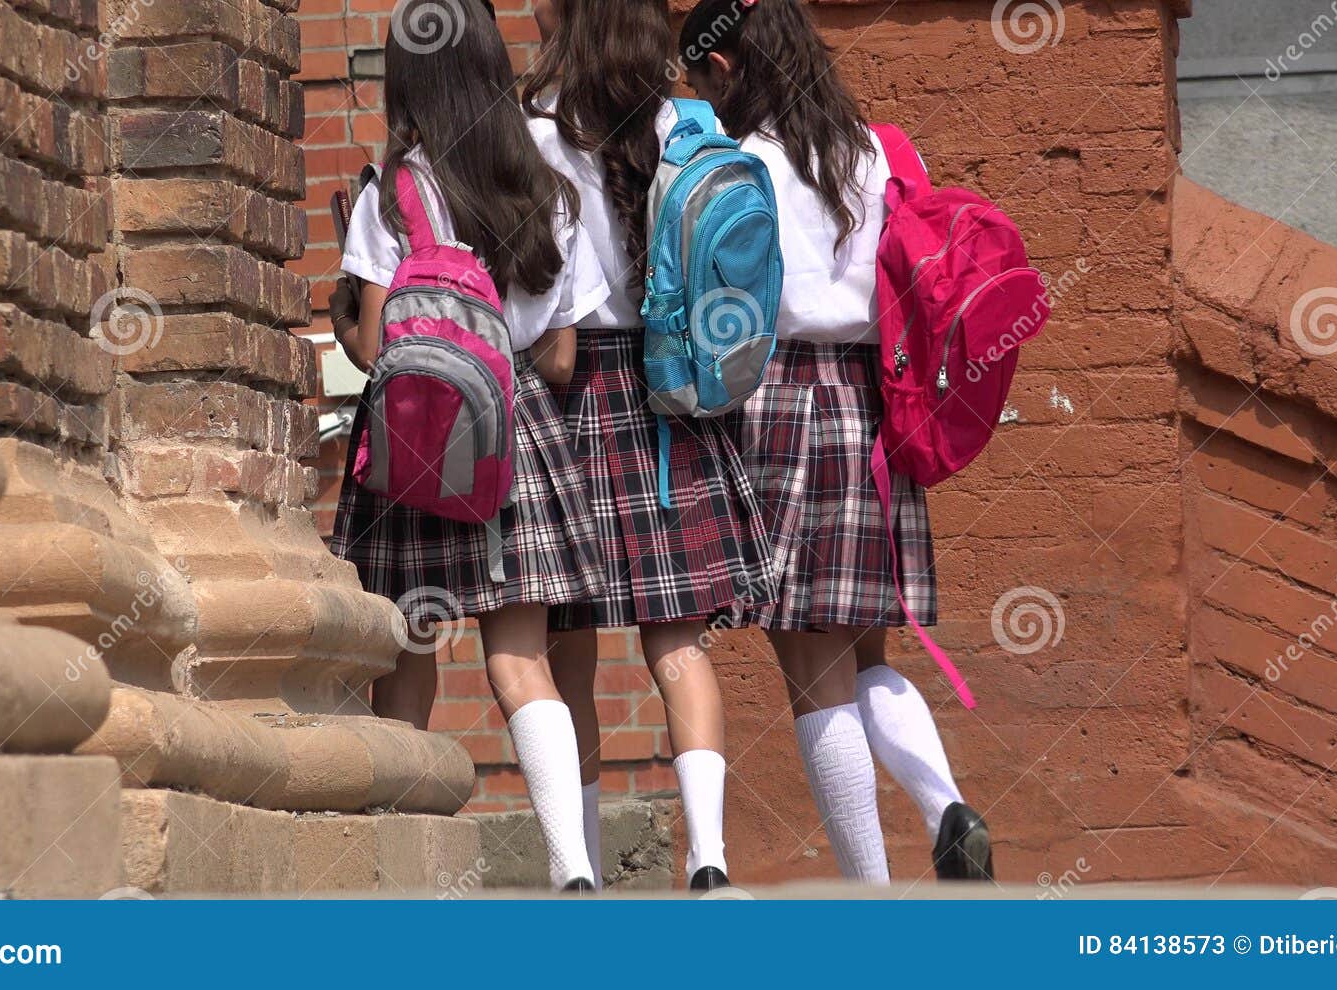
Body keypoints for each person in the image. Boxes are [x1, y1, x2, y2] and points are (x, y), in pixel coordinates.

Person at [677, 0, 994, 883]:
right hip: (874, 406)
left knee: (811, 669)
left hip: (779, 407)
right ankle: (947, 805)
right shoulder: (878, 152)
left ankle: (871, 895)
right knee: (869, 651)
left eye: (699, 77)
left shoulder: (739, 163)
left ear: (725, 67)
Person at [328, 0, 611, 892]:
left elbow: (377, 348)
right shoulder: (546, 186)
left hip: (417, 434)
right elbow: (561, 359)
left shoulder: (393, 192)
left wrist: (344, 322)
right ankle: (573, 870)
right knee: (521, 663)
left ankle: (403, 873)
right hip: (517, 433)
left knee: (408, 652)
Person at [525, 0, 775, 893]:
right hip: (673, 388)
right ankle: (710, 861)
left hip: (571, 391)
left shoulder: (541, 132)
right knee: (680, 646)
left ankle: (580, 873)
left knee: (568, 652)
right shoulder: (685, 123)